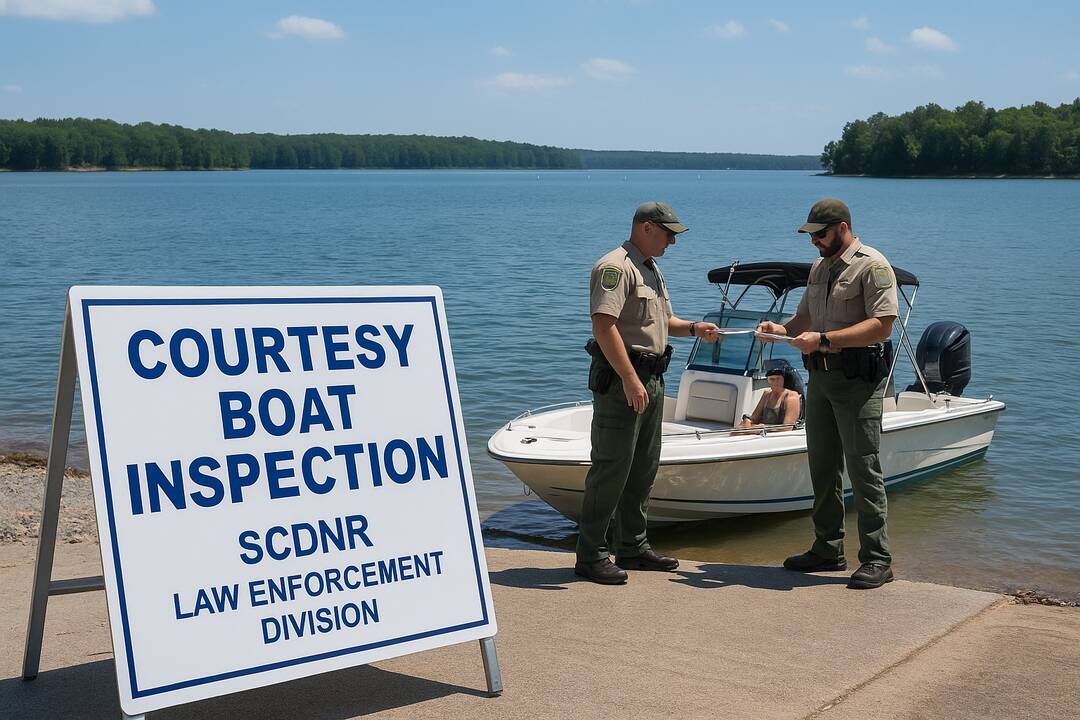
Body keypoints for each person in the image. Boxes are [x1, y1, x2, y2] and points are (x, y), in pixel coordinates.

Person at [575, 201, 721, 585]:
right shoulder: (615, 268)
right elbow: (603, 326)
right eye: (668, 233)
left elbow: (663, 321)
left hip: (651, 378)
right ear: (646, 228)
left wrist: (694, 328)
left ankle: (633, 547)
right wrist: (629, 378)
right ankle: (590, 555)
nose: (673, 241)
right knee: (611, 468)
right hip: (624, 380)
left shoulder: (650, 269)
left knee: (643, 469)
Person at [756, 198, 899, 590]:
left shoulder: (873, 265)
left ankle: (877, 558)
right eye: (810, 235)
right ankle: (828, 548)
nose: (814, 241)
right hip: (820, 381)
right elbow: (804, 320)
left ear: (841, 227)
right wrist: (780, 330)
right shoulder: (819, 268)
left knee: (863, 469)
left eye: (819, 234)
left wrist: (825, 340)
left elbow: (881, 326)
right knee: (822, 466)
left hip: (858, 384)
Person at [736, 366, 800, 432]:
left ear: (783, 380)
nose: (775, 382)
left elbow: (787, 427)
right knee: (738, 431)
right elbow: (754, 418)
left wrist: (762, 427)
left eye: (778, 379)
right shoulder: (767, 394)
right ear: (768, 381)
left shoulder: (792, 397)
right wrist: (748, 421)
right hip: (762, 431)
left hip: (778, 435)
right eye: (772, 379)